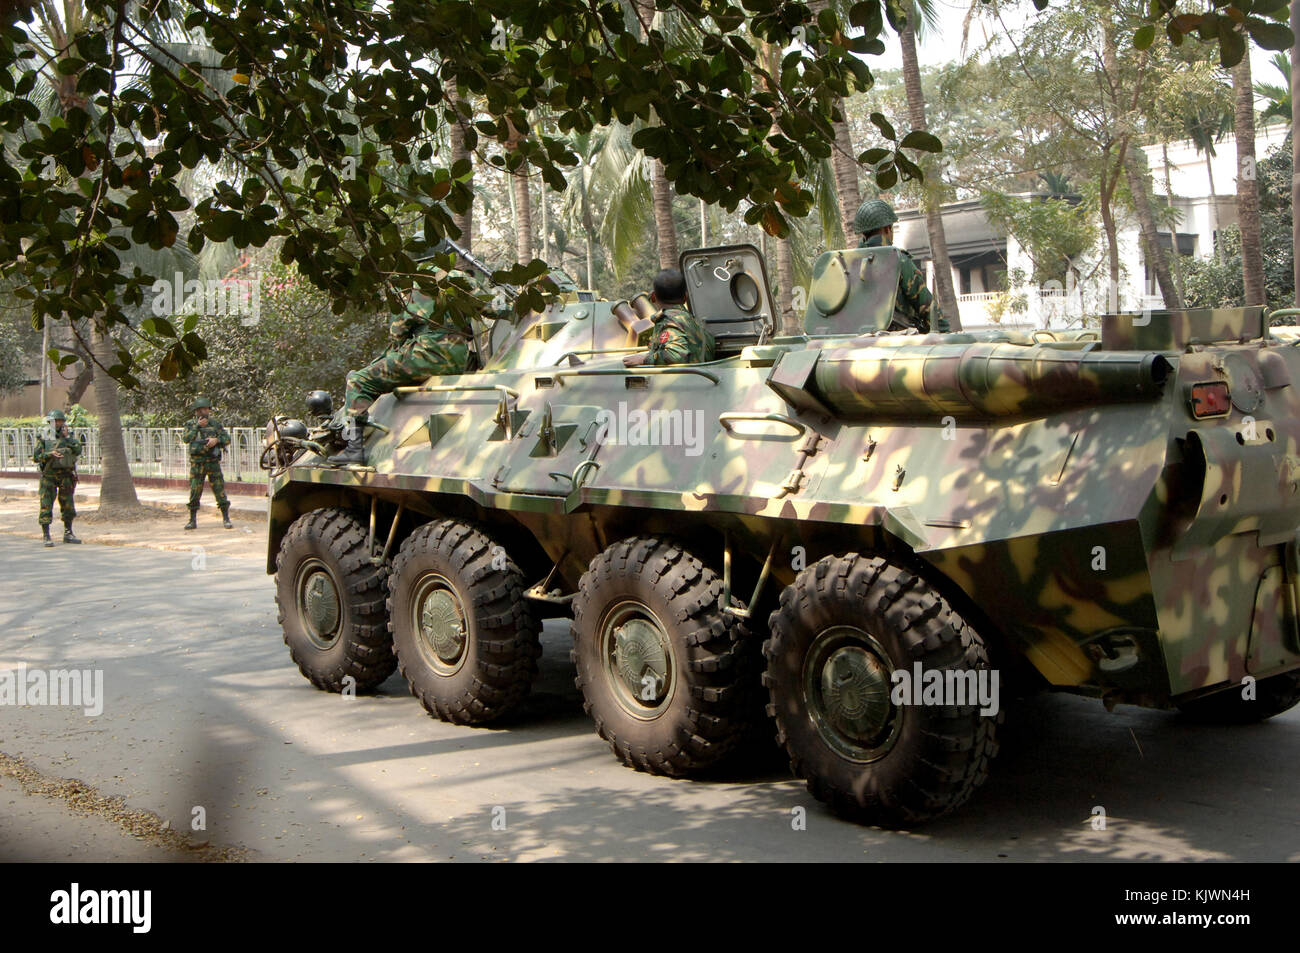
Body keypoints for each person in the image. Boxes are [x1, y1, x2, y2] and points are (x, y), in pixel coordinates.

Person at [327, 291, 471, 466]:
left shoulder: (413, 287)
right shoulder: (458, 281)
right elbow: (493, 307)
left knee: (357, 381)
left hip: (425, 357)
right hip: (458, 359)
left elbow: (398, 332)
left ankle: (354, 448)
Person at [853, 198, 950, 334]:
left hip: (856, 337)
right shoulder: (897, 260)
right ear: (888, 229)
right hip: (897, 338)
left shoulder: (851, 263)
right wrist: (945, 332)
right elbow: (925, 304)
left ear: (864, 233)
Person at [623, 268, 716, 367]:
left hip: (686, 380)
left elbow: (676, 355)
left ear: (654, 297)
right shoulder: (693, 320)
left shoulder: (669, 321)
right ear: (685, 297)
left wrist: (645, 359)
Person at [32, 409, 82, 547]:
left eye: (61, 421)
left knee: (68, 505)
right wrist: (50, 454)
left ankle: (68, 532)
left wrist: (67, 439)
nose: (59, 423)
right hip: (49, 476)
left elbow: (78, 450)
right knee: (46, 505)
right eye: (56, 421)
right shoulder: (43, 437)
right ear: (50, 422)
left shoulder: (68, 437)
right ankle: (46, 535)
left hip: (66, 476)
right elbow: (36, 457)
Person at [184, 397, 233, 530]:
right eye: (201, 410)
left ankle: (226, 518)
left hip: (212, 462)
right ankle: (192, 520)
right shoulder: (190, 424)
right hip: (197, 464)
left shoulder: (215, 424)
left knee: (219, 489)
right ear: (196, 412)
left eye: (206, 409)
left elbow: (227, 438)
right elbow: (186, 438)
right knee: (195, 491)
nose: (204, 412)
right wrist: (197, 426)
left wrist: (216, 440)